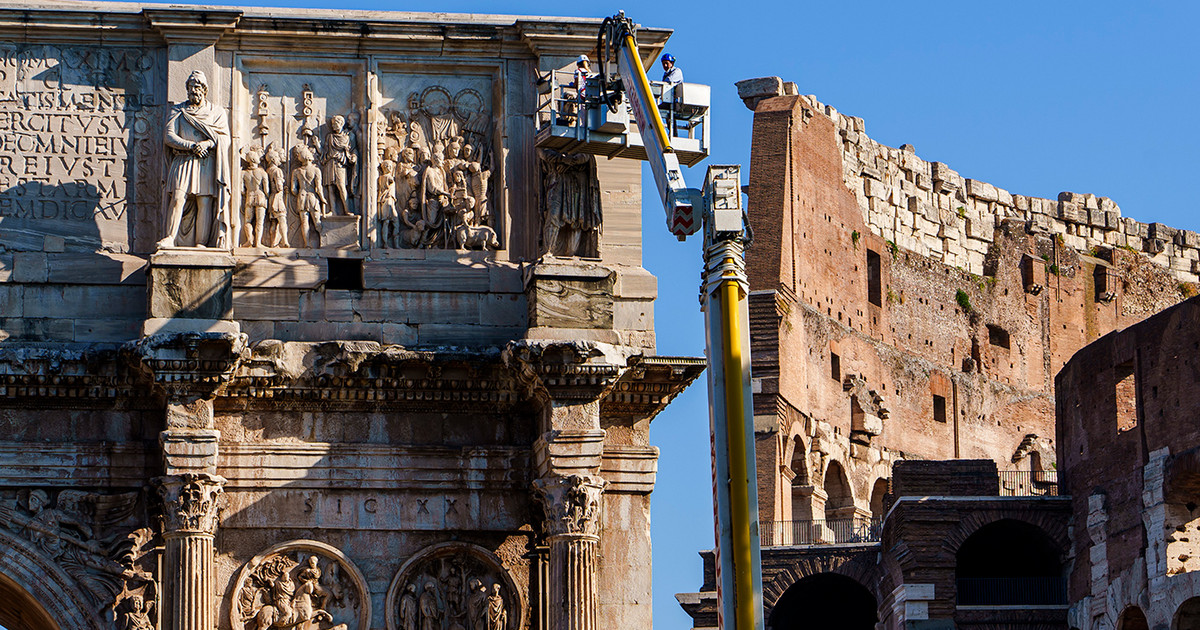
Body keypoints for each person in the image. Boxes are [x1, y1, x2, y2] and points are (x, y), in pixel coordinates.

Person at [159, 70, 232, 249]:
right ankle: (170, 237)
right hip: (183, 160)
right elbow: (168, 136)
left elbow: (224, 138)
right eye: (191, 88)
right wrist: (191, 145)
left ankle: (201, 243)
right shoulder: (178, 110)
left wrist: (207, 144)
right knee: (177, 198)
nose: (194, 91)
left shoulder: (216, 112)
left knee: (204, 201)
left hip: (205, 162)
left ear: (204, 90)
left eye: (197, 87)